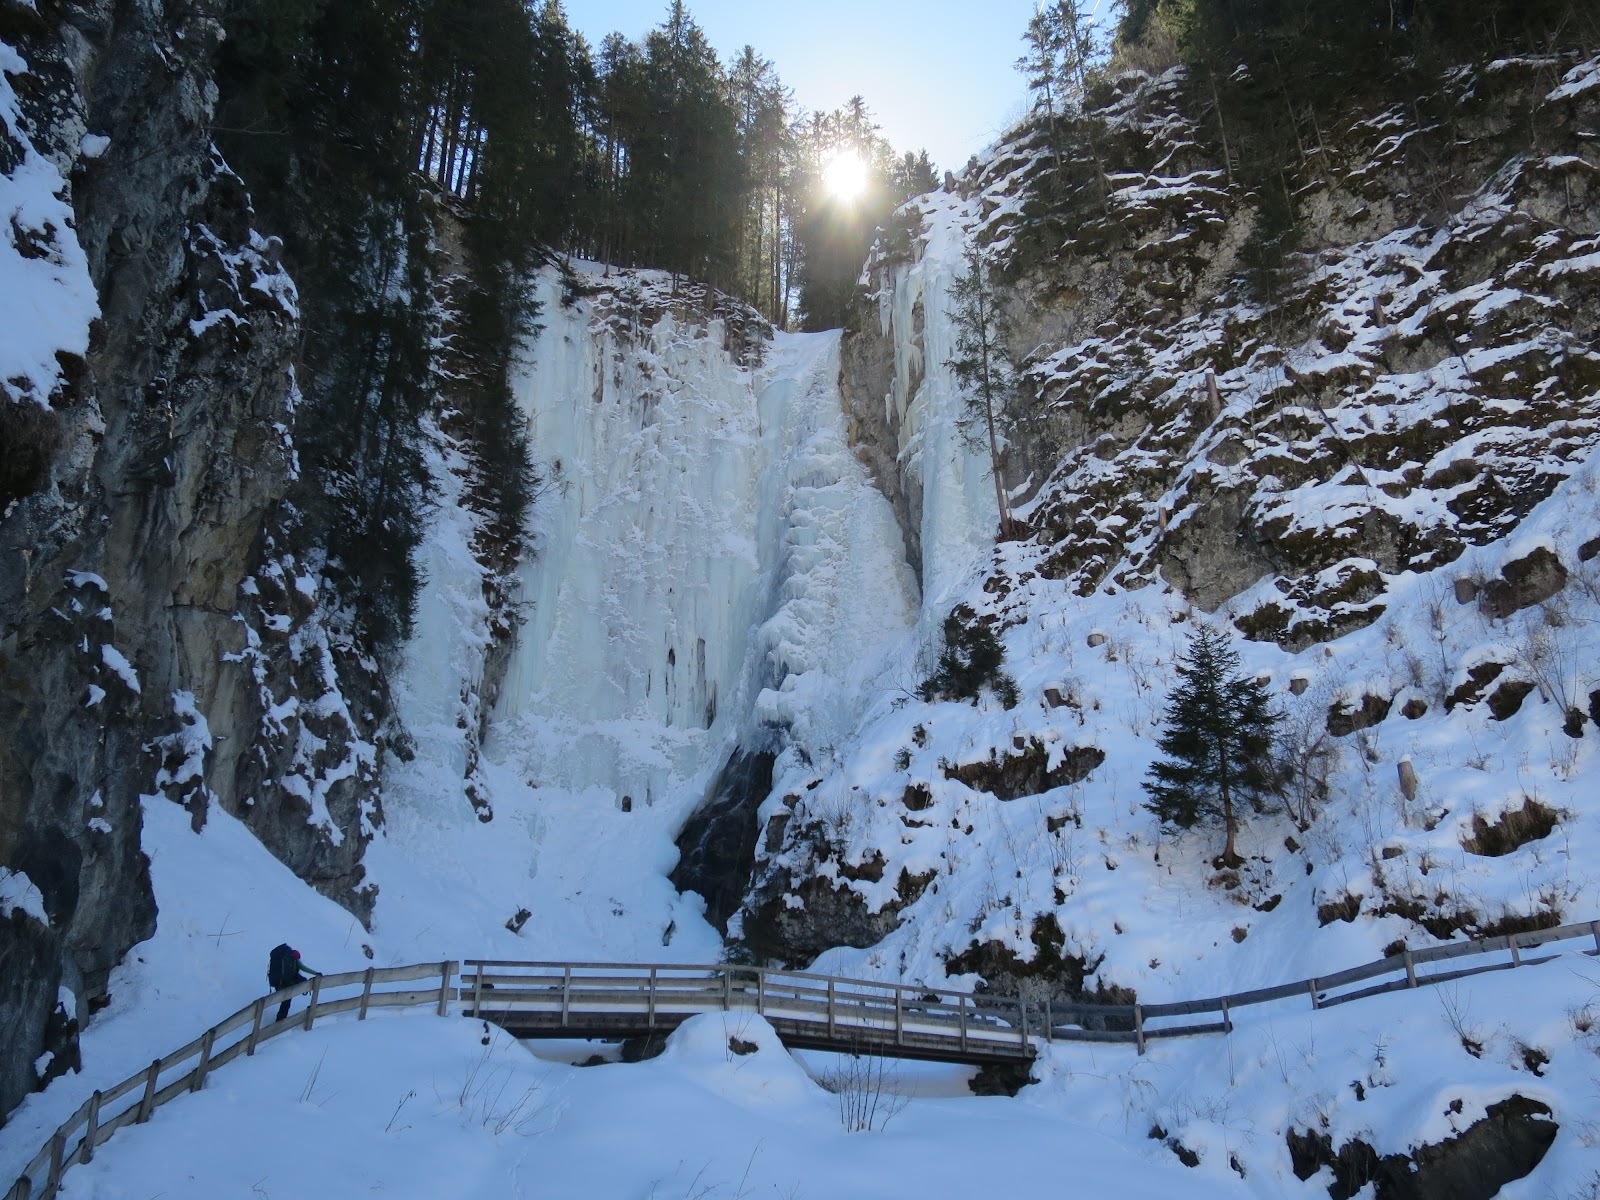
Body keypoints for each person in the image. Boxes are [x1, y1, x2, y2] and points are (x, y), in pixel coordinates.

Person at [267, 943, 320, 1021]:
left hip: (279, 983)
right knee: (286, 1002)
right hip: (287, 983)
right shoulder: (293, 960)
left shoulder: (285, 961)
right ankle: (280, 1021)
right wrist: (316, 973)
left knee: (285, 1001)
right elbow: (304, 968)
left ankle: (280, 1019)